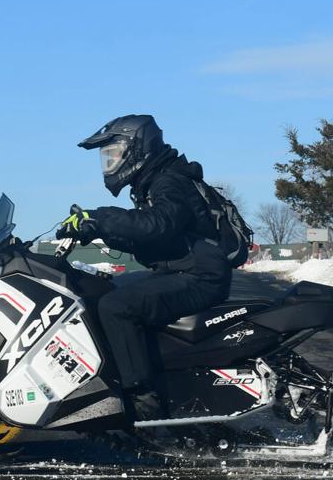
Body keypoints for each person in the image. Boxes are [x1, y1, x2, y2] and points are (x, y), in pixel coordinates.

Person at [55, 114, 231, 421]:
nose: (109, 163)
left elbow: (158, 225)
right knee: (100, 292)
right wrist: (97, 230)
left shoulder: (170, 181)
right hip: (182, 270)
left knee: (116, 306)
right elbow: (155, 239)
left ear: (136, 149)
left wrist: (100, 218)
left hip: (201, 276)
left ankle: (142, 398)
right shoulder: (154, 182)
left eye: (113, 154)